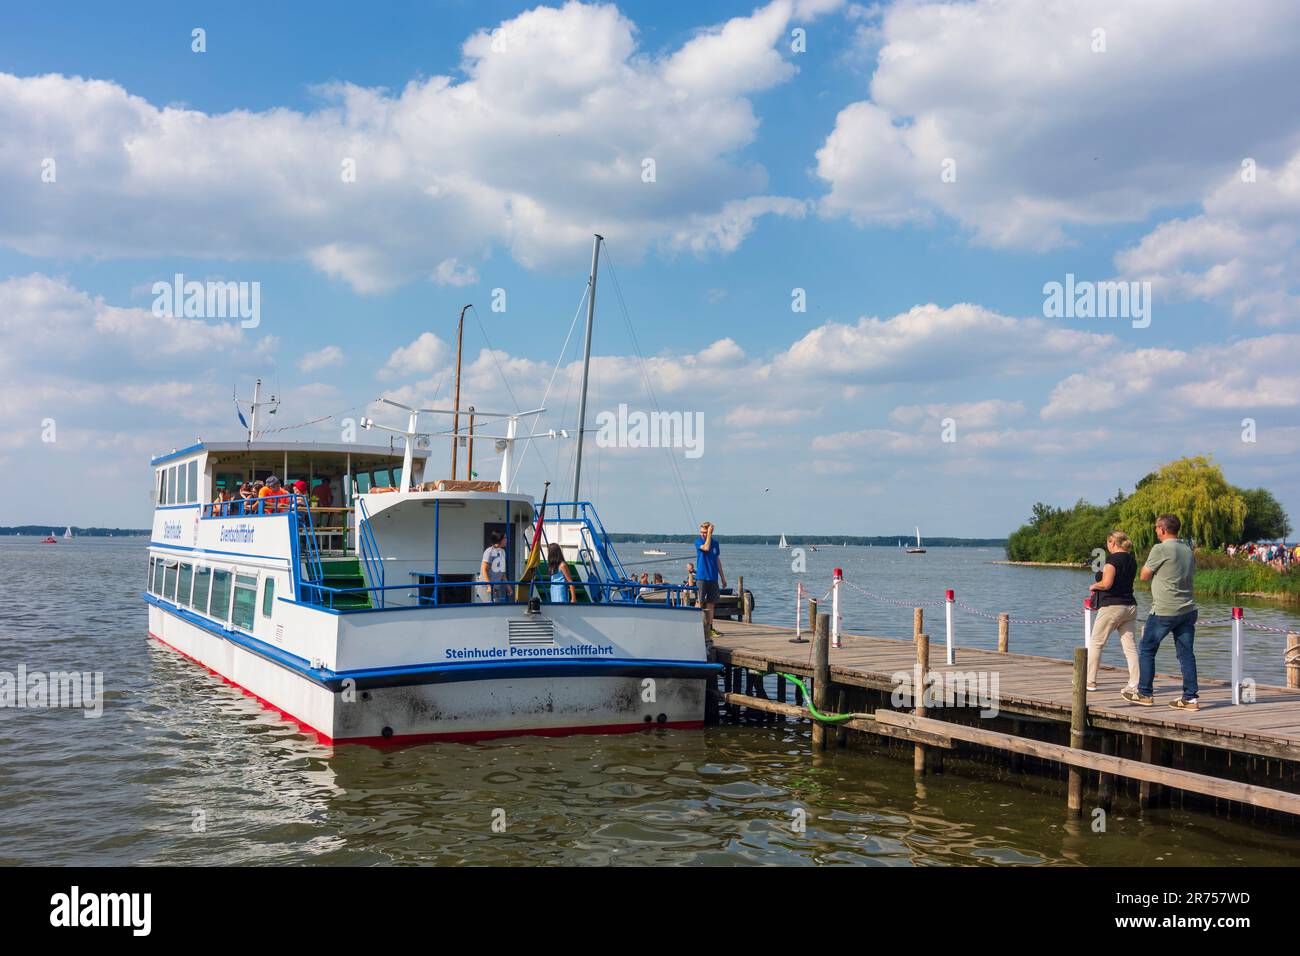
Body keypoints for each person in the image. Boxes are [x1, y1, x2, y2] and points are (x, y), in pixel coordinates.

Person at [1125, 514, 1199, 710]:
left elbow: (1144, 575)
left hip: (1165, 610)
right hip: (1188, 609)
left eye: (1156, 528)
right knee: (1186, 654)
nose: (1156, 531)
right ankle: (1190, 698)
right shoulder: (1188, 550)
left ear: (1163, 529)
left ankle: (1145, 693)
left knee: (1148, 648)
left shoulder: (1160, 549)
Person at [1087, 531, 1139, 693]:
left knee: (1096, 643)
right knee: (1130, 647)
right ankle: (1134, 683)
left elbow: (1107, 584)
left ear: (1113, 543)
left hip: (1112, 606)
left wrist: (1095, 586)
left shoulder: (1112, 560)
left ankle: (1089, 681)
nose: (1107, 546)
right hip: (1130, 606)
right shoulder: (1132, 560)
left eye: (1108, 543)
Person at [695, 521, 726, 646]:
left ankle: (710, 627)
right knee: (700, 601)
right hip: (702, 577)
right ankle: (695, 625)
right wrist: (708, 535)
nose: (703, 534)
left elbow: (717, 560)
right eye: (702, 532)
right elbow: (706, 548)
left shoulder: (715, 543)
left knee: (711, 603)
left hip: (713, 577)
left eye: (705, 532)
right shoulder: (698, 542)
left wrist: (723, 577)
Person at [479, 531, 509, 603]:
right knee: (491, 609)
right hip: (485, 586)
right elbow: (484, 570)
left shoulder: (502, 552)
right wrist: (489, 586)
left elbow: (502, 572)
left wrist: (507, 586)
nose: (506, 539)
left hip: (496, 587)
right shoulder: (489, 552)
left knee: (497, 608)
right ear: (499, 539)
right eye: (504, 538)